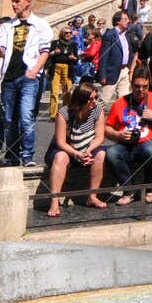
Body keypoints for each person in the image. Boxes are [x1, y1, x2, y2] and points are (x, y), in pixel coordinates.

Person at [0, 0, 53, 167]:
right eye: (12, 1)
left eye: (17, 1)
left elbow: (45, 51)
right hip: (9, 77)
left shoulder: (41, 24)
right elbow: (2, 52)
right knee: (10, 119)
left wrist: (35, 70)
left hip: (29, 76)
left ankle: (27, 154)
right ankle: (12, 155)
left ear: (28, 1)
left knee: (26, 116)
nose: (13, 4)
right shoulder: (6, 26)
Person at [101, 65, 152, 205]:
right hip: (125, 144)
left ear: (149, 83)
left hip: (147, 143)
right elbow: (106, 128)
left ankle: (150, 189)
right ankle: (129, 190)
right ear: (131, 84)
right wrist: (118, 135)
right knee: (111, 153)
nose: (140, 90)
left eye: (144, 86)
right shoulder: (120, 102)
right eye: (137, 86)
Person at [44, 83, 109, 218]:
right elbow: (60, 142)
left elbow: (100, 136)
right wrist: (77, 154)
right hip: (66, 148)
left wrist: (89, 150)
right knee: (61, 157)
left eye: (96, 97)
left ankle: (92, 196)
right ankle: (55, 201)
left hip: (87, 146)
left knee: (101, 154)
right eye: (91, 98)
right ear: (81, 99)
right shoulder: (64, 113)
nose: (95, 101)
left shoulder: (98, 110)